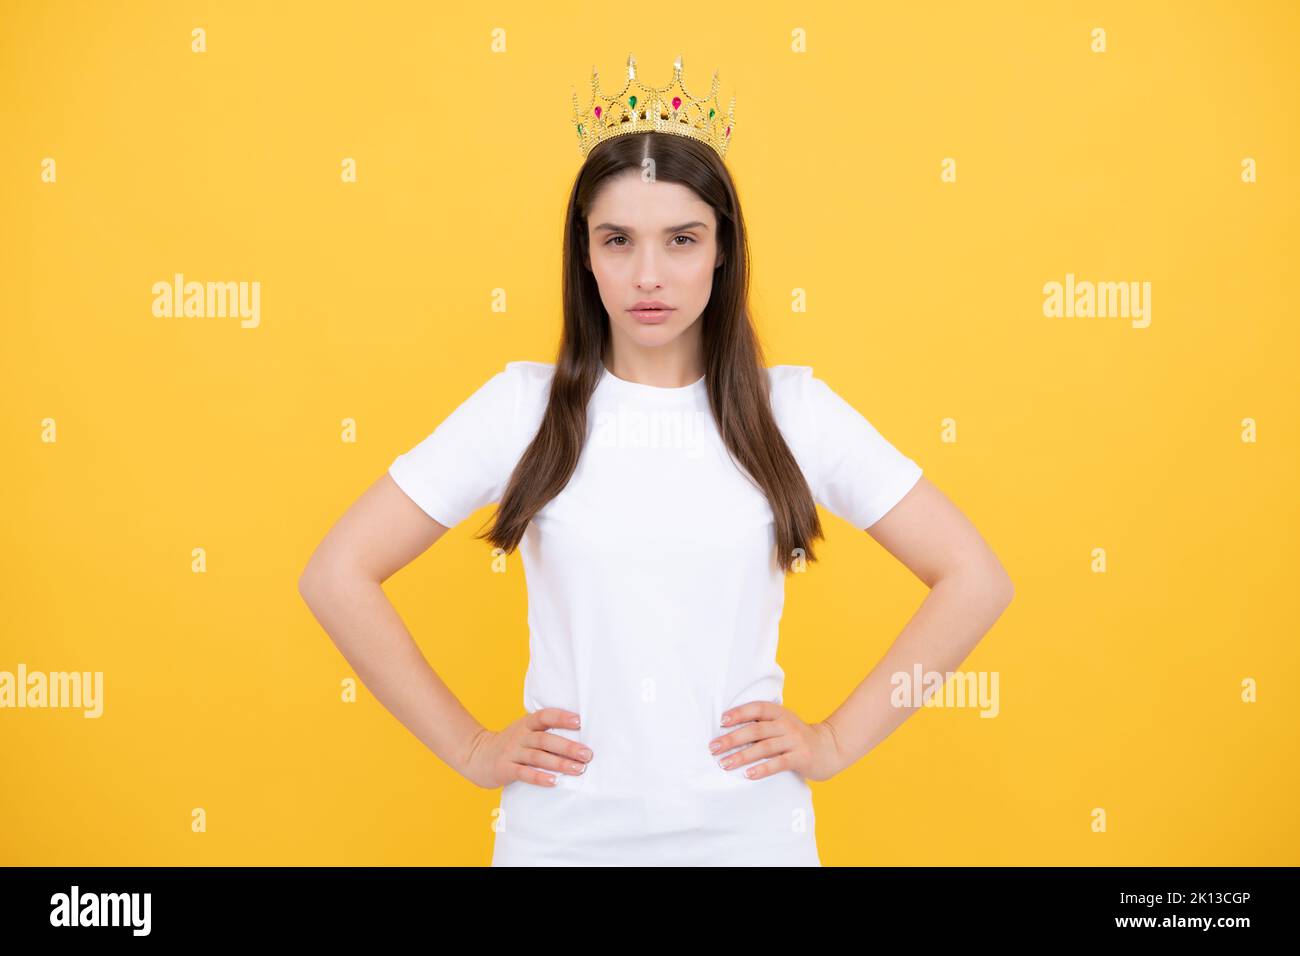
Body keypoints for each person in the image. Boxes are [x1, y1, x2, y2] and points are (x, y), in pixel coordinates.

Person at [298, 55, 1014, 866]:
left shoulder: (794, 413)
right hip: (560, 841)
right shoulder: (521, 410)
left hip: (751, 841)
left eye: (681, 240)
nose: (648, 276)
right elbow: (337, 574)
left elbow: (975, 579)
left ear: (721, 248)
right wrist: (469, 748)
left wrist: (837, 740)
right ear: (585, 253)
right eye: (618, 240)